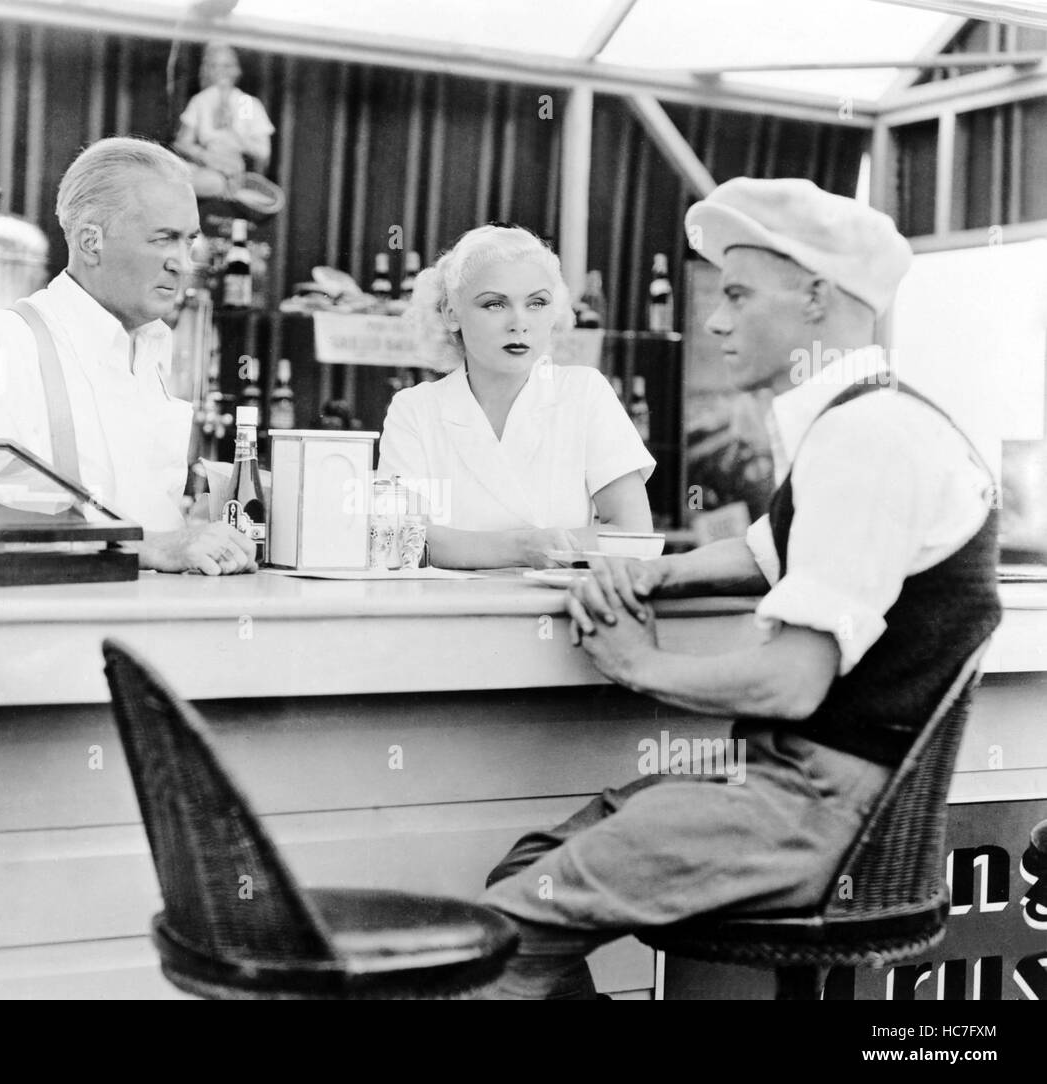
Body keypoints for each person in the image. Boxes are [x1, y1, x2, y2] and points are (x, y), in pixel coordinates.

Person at [477, 178, 1003, 999]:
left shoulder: (867, 440)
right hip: (798, 788)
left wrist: (636, 662)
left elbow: (793, 681)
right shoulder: (872, 420)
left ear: (818, 298)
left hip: (815, 811)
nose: (714, 319)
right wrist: (655, 571)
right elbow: (772, 552)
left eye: (736, 294)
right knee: (532, 866)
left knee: (496, 942)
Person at [0, 137, 256, 576]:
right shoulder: (4, 344)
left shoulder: (149, 351)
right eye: (164, 239)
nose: (183, 263)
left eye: (190, 241)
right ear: (91, 242)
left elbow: (152, 521)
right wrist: (145, 547)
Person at [377, 224, 654, 569]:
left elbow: (634, 535)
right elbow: (400, 539)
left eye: (537, 303)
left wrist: (465, 546)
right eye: (494, 304)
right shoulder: (415, 410)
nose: (519, 323)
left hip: (561, 612)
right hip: (446, 615)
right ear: (451, 313)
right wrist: (522, 547)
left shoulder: (584, 393)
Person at [172, 43, 275, 204]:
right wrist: (206, 157)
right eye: (214, 66)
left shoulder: (245, 103)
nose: (221, 72)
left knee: (214, 183)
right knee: (173, 177)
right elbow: (182, 143)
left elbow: (262, 153)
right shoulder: (201, 100)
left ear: (237, 70)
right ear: (207, 70)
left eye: (227, 66)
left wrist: (232, 130)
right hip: (205, 168)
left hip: (236, 172)